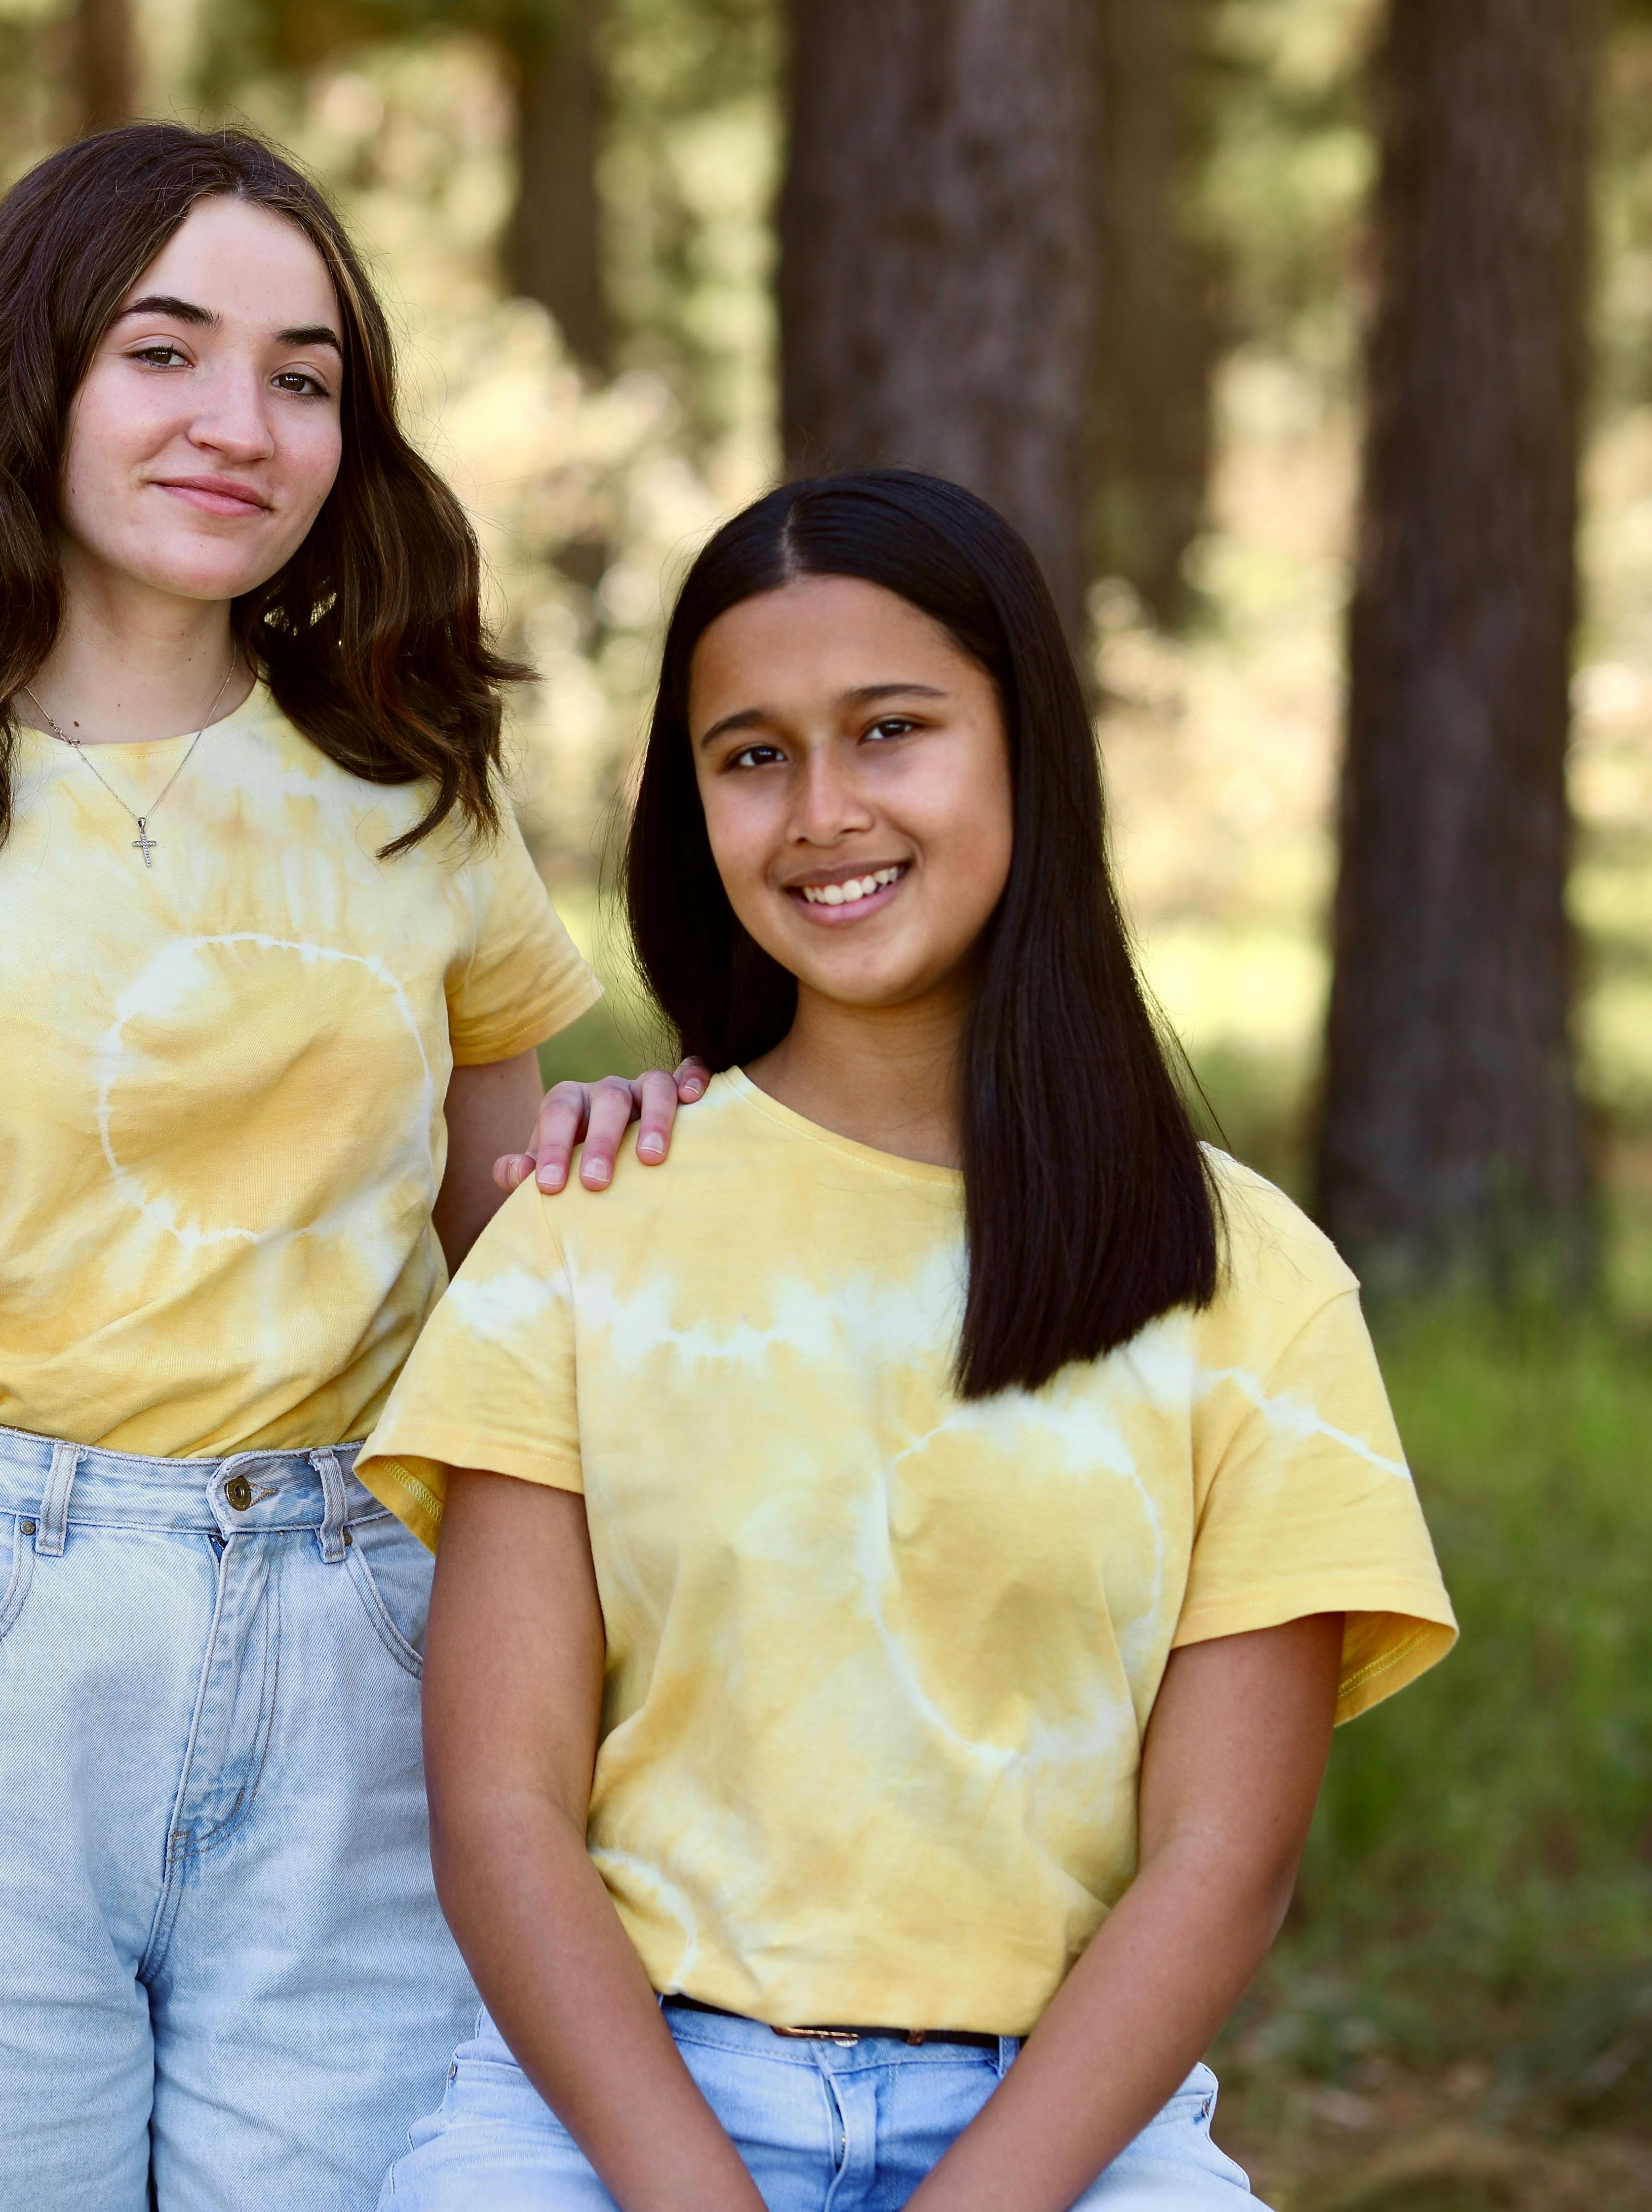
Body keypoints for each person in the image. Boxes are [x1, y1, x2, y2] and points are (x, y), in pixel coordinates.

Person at [0, 123, 703, 2212]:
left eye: (304, 375)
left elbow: (517, 1266)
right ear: (42, 379)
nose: (240, 422)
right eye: (166, 351)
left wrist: (626, 1154)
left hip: (368, 1657)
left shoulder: (414, 791)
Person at [356, 470, 1459, 2212]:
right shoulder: (584, 1230)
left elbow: (1221, 1860)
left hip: (1069, 2129)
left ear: (1029, 748)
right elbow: (501, 1811)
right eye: (752, 754)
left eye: (892, 731)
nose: (822, 813)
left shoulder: (1248, 1277)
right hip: (616, 2110)